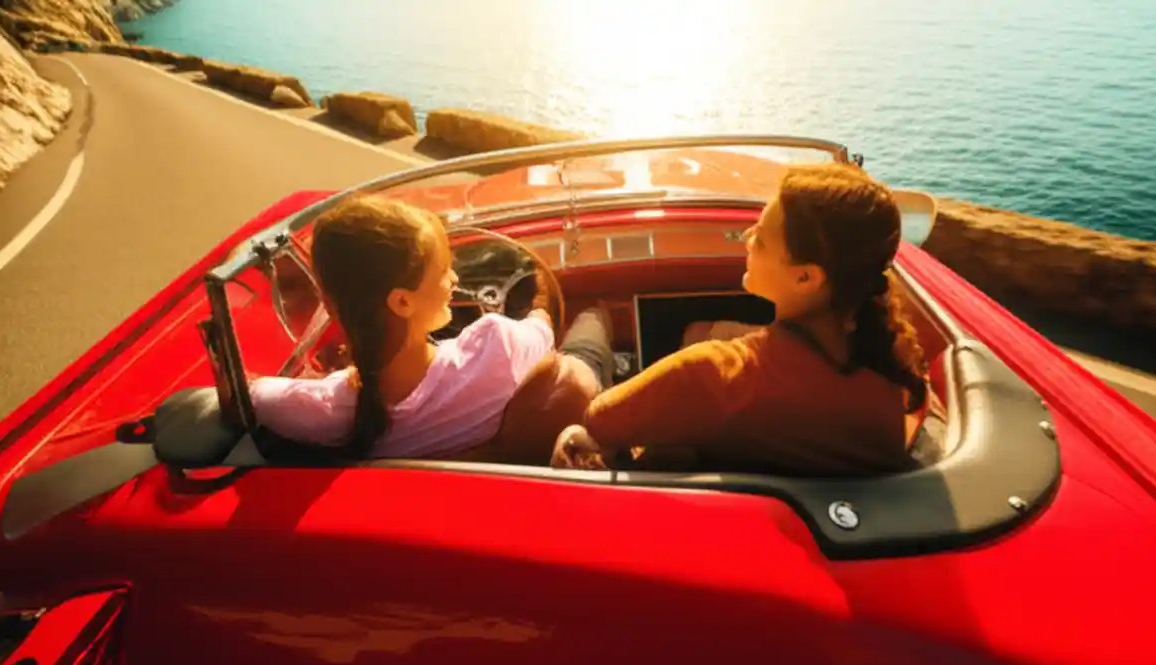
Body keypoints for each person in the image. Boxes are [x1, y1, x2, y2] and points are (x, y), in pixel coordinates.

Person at [551, 163, 930, 476]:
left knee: (587, 340)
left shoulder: (712, 375)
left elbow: (600, 420)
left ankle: (592, 323)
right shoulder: (895, 380)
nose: (746, 237)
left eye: (760, 239)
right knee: (697, 333)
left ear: (806, 278)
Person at [249, 194, 611, 460]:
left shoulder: (325, 411)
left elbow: (245, 394)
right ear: (403, 302)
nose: (454, 279)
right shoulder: (497, 344)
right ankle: (601, 318)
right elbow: (543, 325)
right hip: (582, 387)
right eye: (443, 272)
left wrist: (327, 376)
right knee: (592, 319)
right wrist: (539, 297)